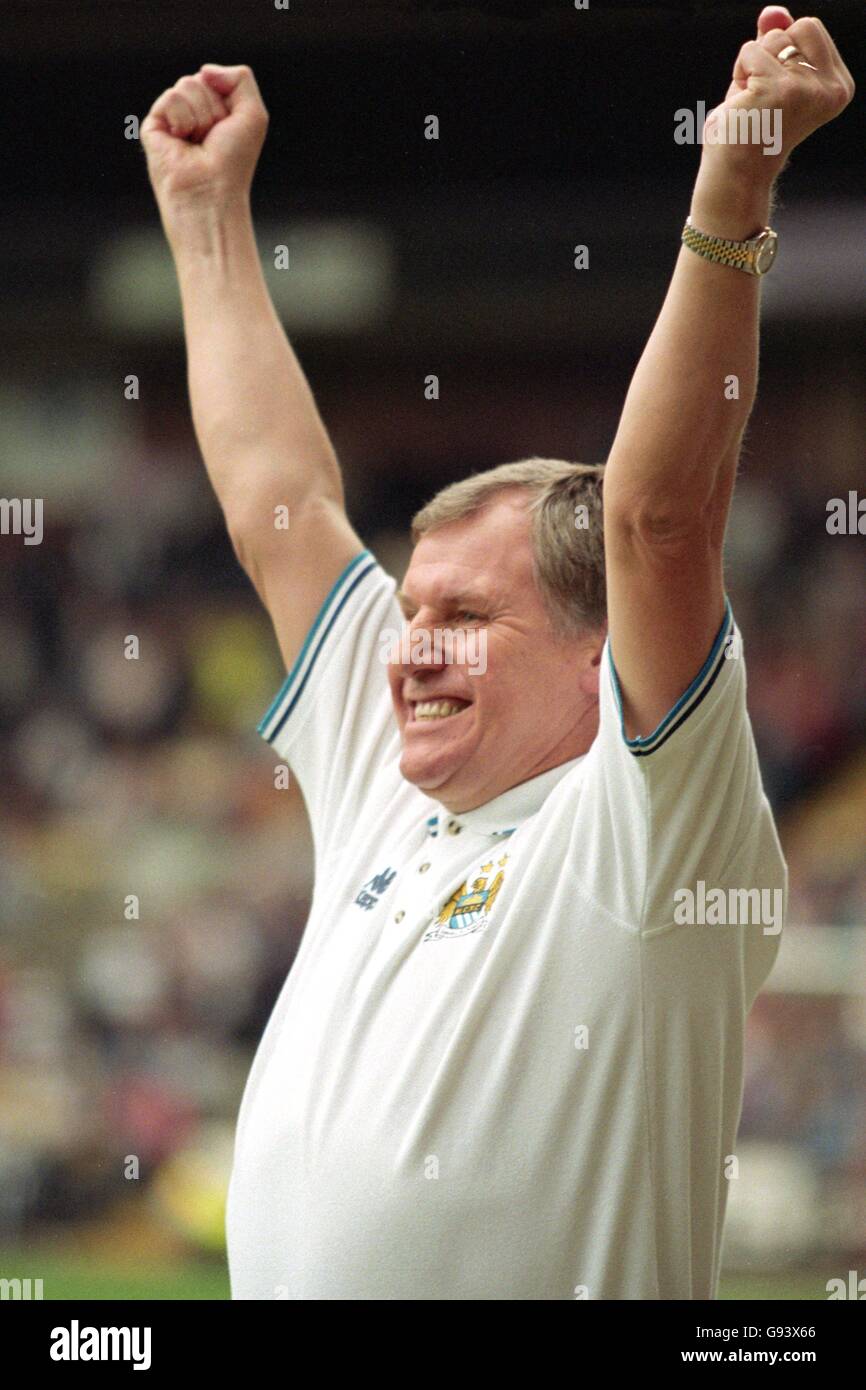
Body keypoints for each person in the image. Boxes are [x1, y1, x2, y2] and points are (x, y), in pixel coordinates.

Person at [142, 8, 854, 1299]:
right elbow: (273, 497)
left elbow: (655, 519)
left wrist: (736, 173)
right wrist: (202, 215)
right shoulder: (393, 786)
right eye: (414, 608)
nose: (408, 649)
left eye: (465, 616)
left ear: (600, 652)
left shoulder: (648, 833)